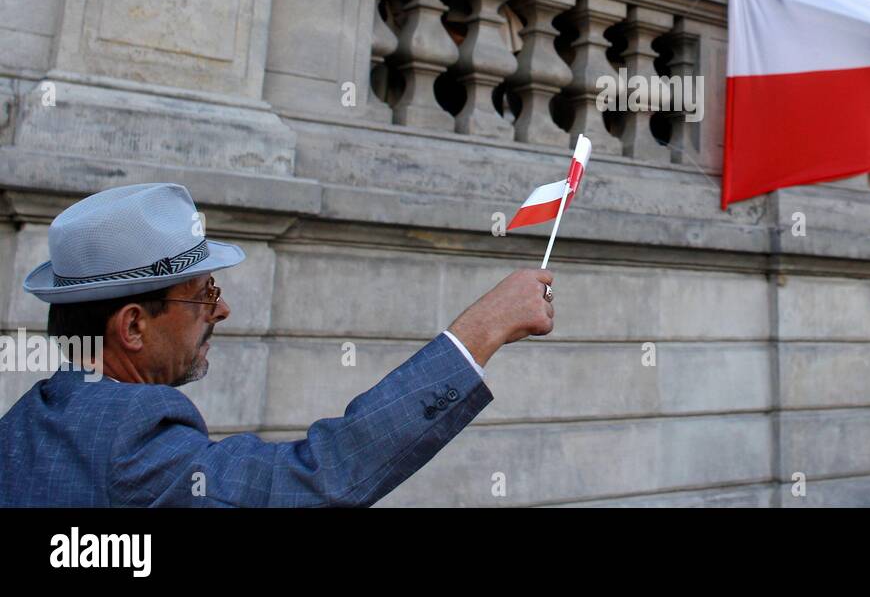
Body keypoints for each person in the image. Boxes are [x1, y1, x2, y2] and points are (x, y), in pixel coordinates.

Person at [0, 183, 555, 507]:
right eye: (202, 295)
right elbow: (320, 475)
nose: (221, 310)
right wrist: (480, 332)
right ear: (133, 327)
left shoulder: (25, 422)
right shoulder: (128, 436)